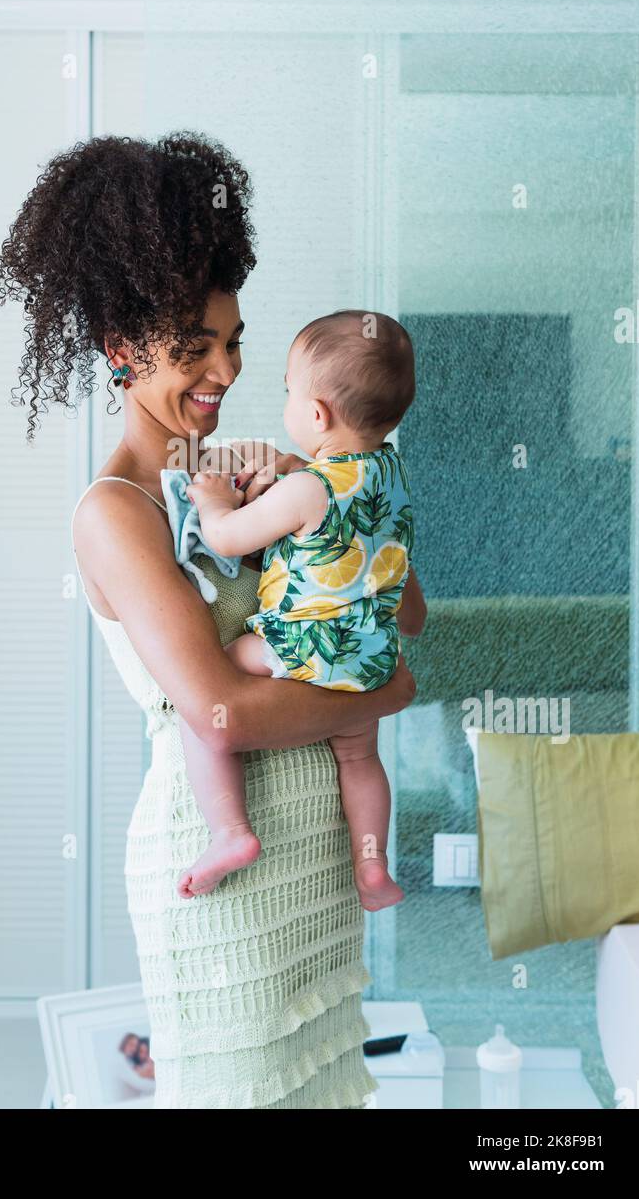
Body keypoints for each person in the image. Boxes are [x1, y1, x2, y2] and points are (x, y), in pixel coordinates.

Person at [0, 131, 416, 1110]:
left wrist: (314, 501)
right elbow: (218, 712)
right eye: (194, 348)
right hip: (225, 864)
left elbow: (361, 600)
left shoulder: (233, 473)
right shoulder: (115, 513)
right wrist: (382, 691)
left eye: (233, 341)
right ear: (122, 352)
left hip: (312, 856)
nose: (223, 370)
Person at [178, 309, 427, 910]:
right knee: (360, 756)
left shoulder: (305, 490)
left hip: (304, 648)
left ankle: (230, 831)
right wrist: (299, 467)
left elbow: (231, 539)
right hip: (369, 656)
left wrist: (213, 501)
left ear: (316, 415)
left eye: (289, 391)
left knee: (203, 697)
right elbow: (351, 511)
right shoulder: (389, 472)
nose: (286, 403)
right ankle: (372, 865)